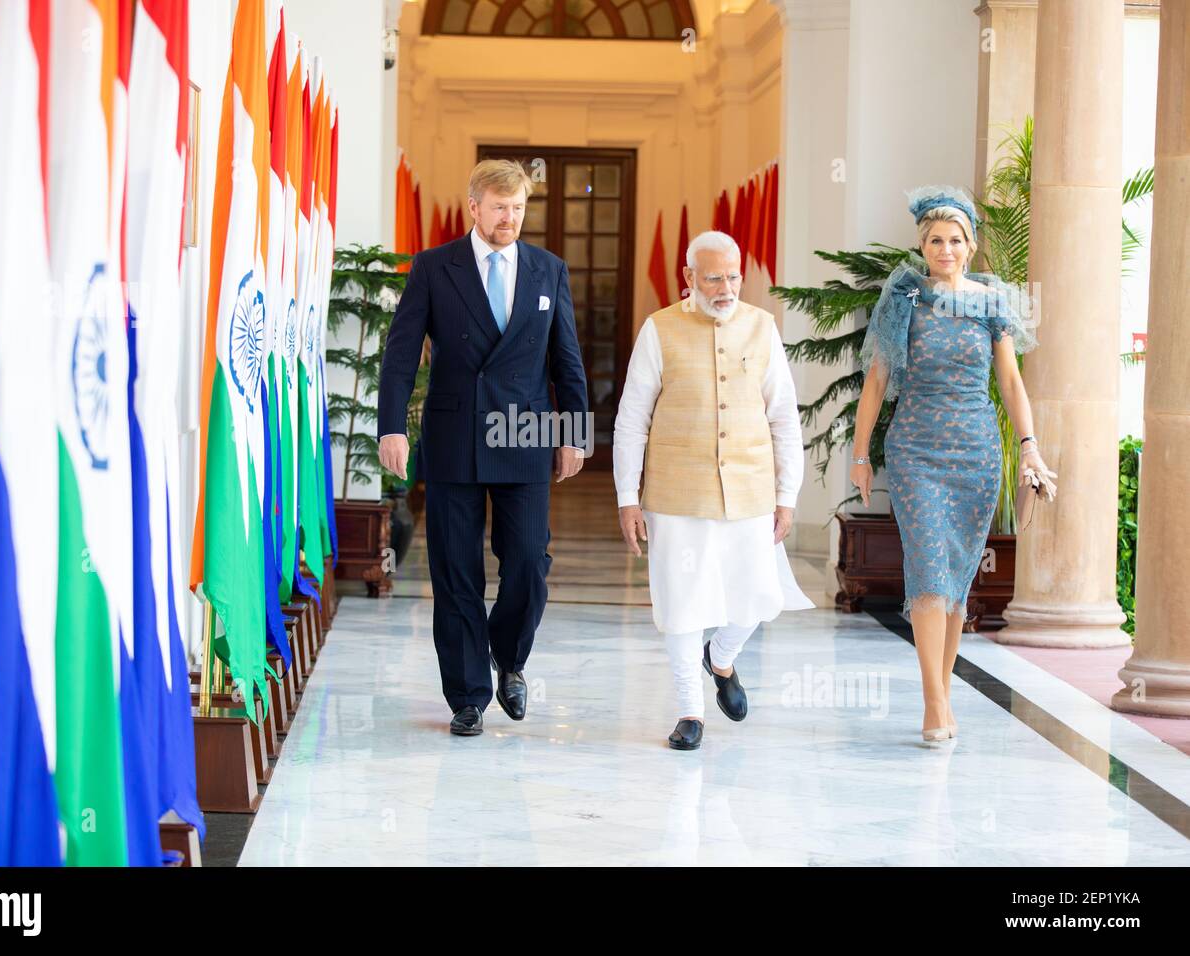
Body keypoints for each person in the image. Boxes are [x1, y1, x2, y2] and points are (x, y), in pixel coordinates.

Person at [377, 159, 589, 736]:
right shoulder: (433, 267)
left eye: (518, 208)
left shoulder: (549, 270)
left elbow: (566, 358)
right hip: (455, 432)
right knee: (455, 570)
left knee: (527, 560)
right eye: (499, 207)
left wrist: (577, 434)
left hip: (527, 430)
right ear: (474, 207)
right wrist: (391, 426)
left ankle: (509, 657)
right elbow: (400, 354)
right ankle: (468, 694)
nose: (509, 218)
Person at [850, 185, 1057, 743]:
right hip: (915, 449)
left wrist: (1030, 445)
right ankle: (934, 702)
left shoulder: (991, 303)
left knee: (958, 579)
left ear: (970, 246)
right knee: (928, 570)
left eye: (955, 239)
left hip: (977, 451)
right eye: (935, 240)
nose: (945, 249)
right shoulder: (905, 300)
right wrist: (860, 453)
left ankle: (941, 694)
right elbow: (877, 380)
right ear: (923, 246)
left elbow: (1010, 381)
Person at [613, 230, 814, 751]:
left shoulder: (763, 328)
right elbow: (631, 418)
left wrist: (788, 493)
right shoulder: (660, 329)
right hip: (675, 492)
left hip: (750, 489)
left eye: (732, 276)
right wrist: (626, 496)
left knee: (759, 596)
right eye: (713, 278)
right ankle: (689, 712)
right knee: (682, 603)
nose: (725, 287)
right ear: (689, 278)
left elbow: (784, 418)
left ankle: (721, 657)